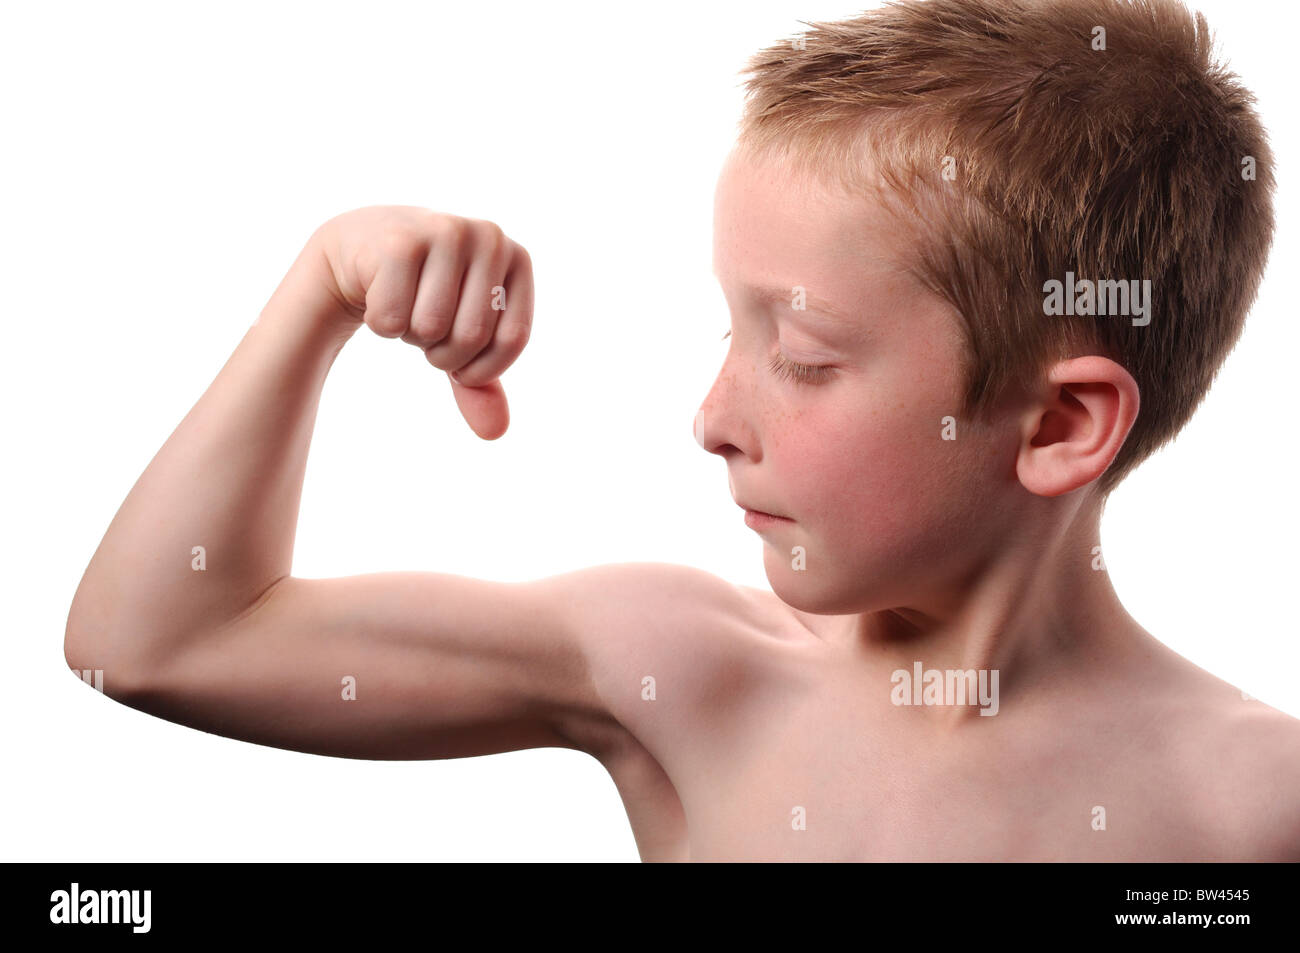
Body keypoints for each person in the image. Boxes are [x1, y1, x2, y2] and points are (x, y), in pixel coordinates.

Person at [65, 0, 1299, 861]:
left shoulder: (1255, 806)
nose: (712, 419)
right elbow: (157, 641)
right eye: (726, 331)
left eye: (804, 358)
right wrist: (320, 289)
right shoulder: (689, 671)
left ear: (1062, 424)